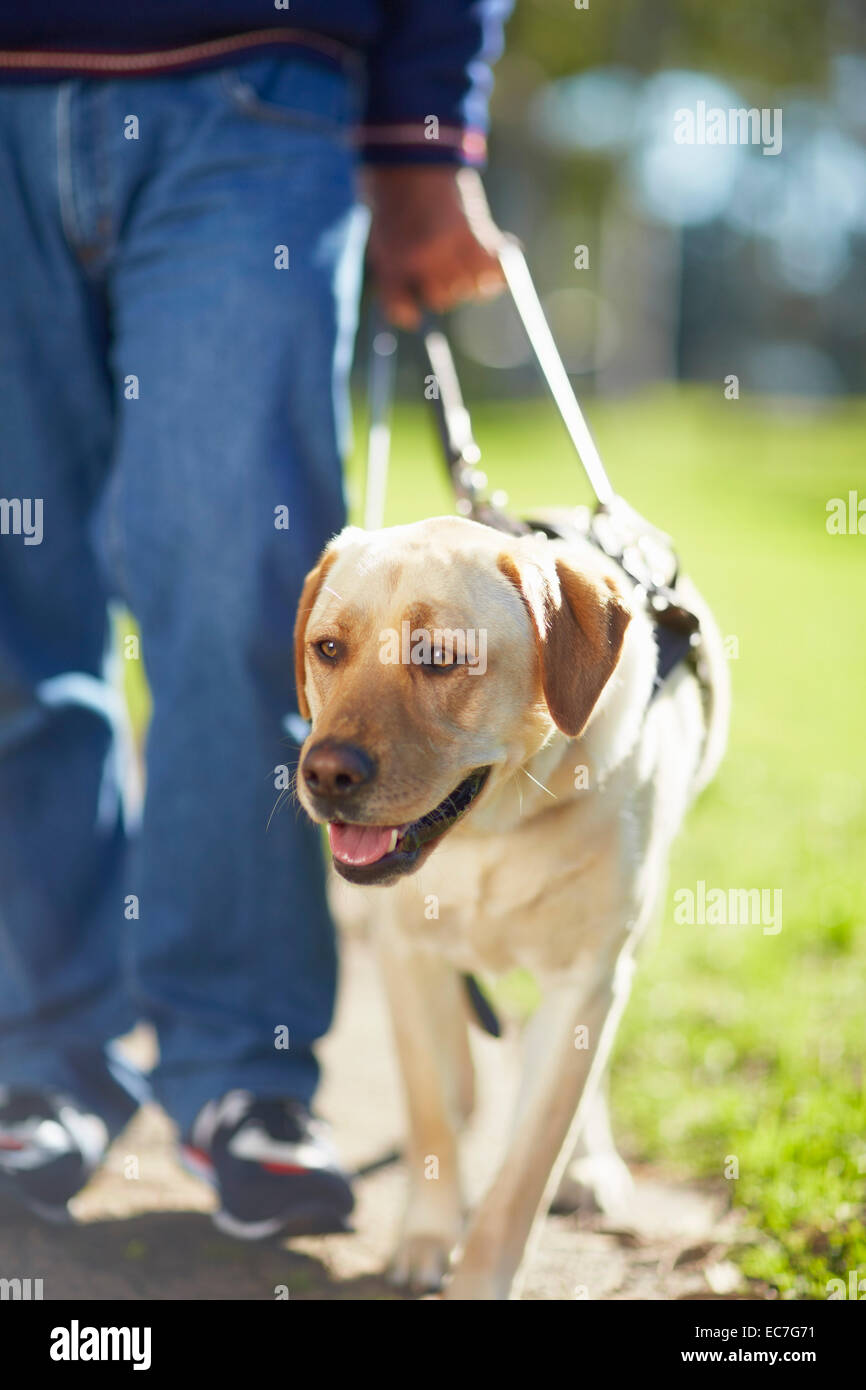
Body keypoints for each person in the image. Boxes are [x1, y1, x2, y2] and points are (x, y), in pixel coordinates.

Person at [0, 1, 510, 1238]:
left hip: (259, 87)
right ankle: (36, 1052)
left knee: (249, 609)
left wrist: (423, 128)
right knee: (12, 618)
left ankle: (242, 1066)